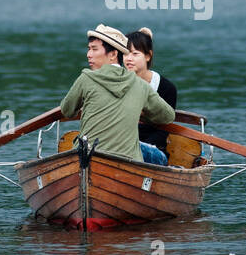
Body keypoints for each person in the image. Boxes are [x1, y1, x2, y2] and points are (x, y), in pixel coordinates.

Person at [59, 24, 175, 164]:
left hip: (86, 157)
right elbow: (168, 116)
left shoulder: (86, 78)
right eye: (89, 49)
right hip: (130, 162)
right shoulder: (141, 85)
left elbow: (67, 110)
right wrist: (142, 111)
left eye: (94, 49)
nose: (88, 54)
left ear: (113, 54)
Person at [124, 28, 177, 165]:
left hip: (154, 151)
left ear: (148, 56)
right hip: (120, 147)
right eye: (125, 53)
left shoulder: (166, 88)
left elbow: (162, 132)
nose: (129, 58)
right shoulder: (118, 83)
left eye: (135, 54)